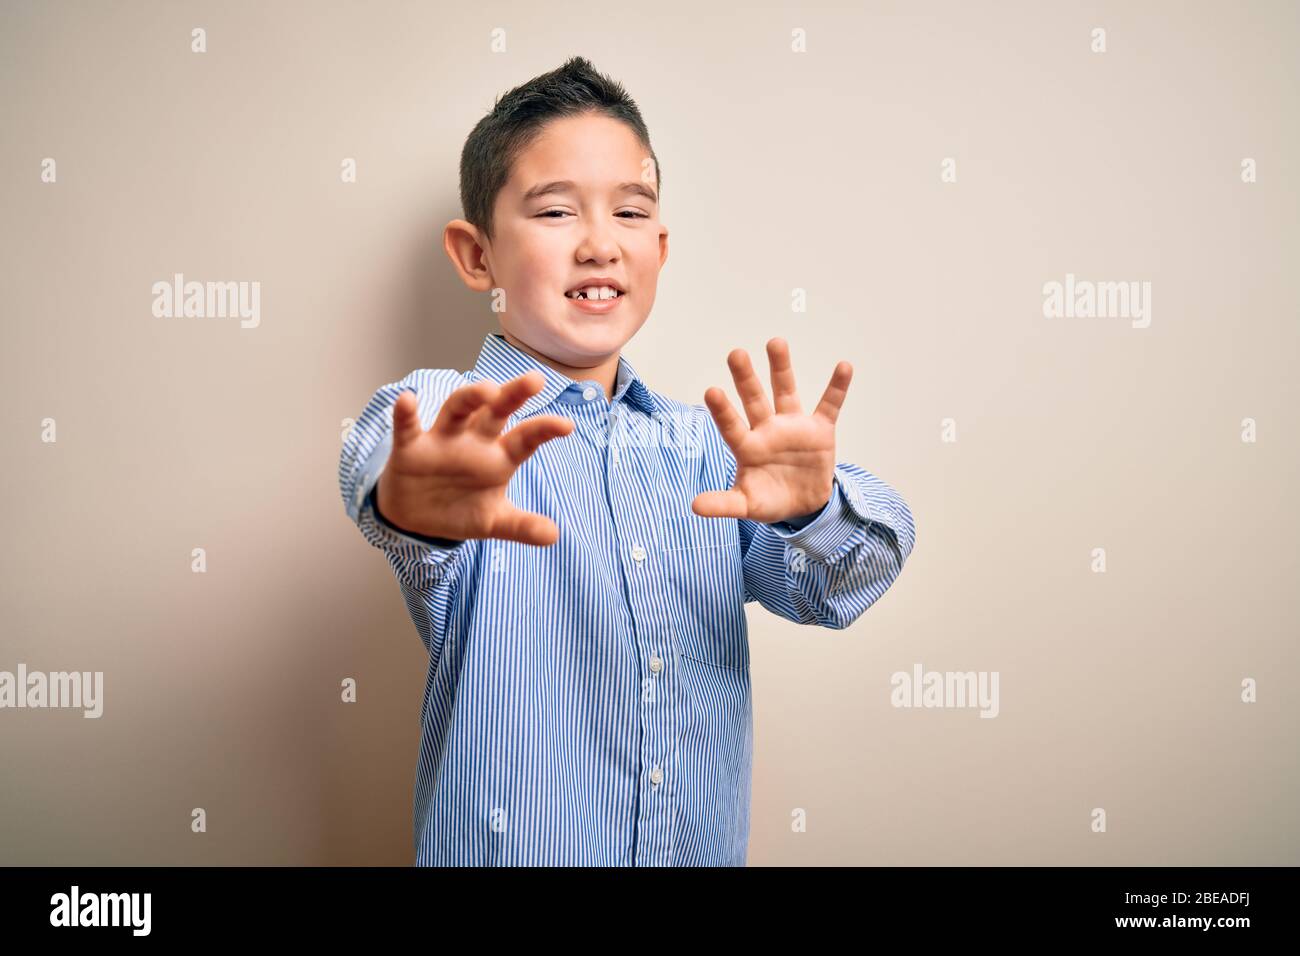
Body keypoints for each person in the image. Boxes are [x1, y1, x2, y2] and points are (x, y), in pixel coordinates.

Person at [339, 56, 916, 866]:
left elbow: (843, 587)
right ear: (477, 257)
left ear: (661, 246)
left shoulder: (711, 454)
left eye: (631, 212)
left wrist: (808, 511)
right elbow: (383, 462)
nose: (600, 245)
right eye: (554, 212)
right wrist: (413, 505)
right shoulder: (448, 417)